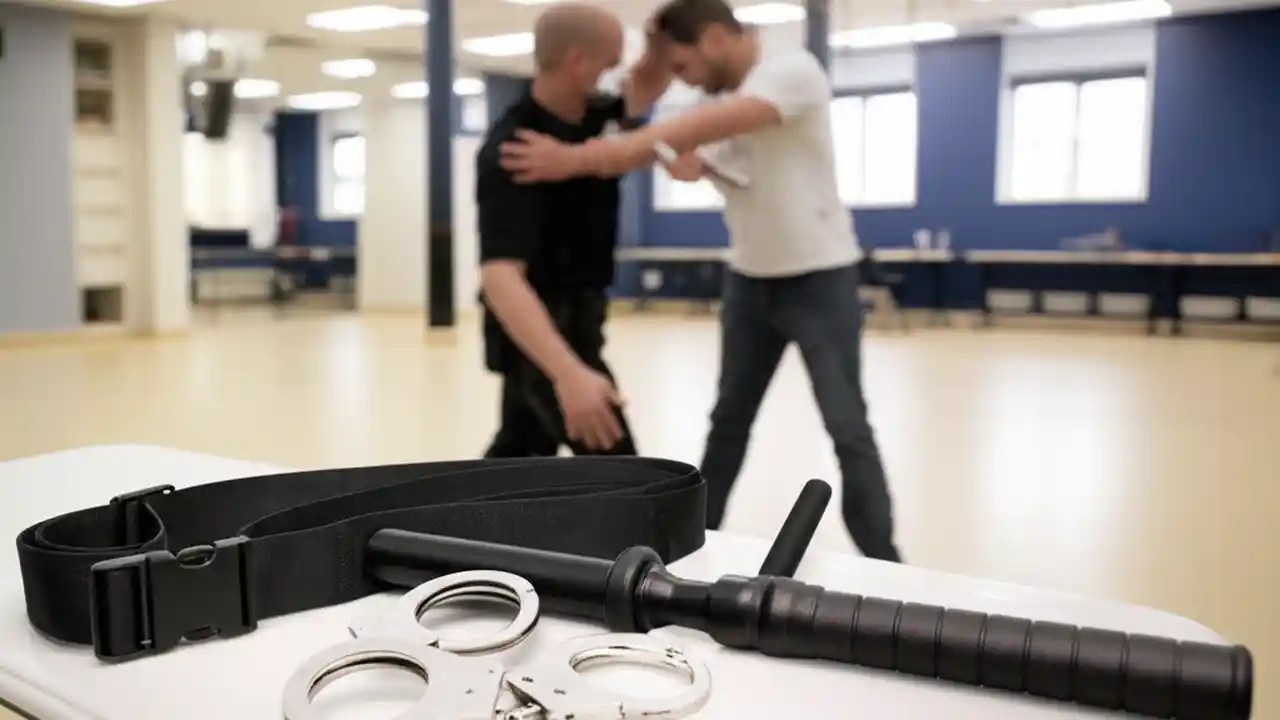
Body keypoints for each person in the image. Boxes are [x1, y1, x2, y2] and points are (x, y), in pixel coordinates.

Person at [498, 0, 902, 561]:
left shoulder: (790, 71)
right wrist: (695, 155)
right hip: (749, 283)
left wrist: (575, 158)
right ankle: (691, 544)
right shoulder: (714, 97)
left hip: (819, 280)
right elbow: (676, 135)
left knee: (847, 425)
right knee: (728, 423)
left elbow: (678, 133)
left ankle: (884, 558)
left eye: (683, 66)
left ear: (713, 40)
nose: (682, 80)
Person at [478, 3, 673, 458]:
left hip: (584, 320)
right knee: (621, 475)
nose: (617, 73)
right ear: (578, 61)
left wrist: (661, 40)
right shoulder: (514, 148)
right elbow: (500, 276)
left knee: (520, 457)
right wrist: (568, 373)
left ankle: (469, 508)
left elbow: (645, 88)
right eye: (610, 62)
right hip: (541, 334)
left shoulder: (595, 115)